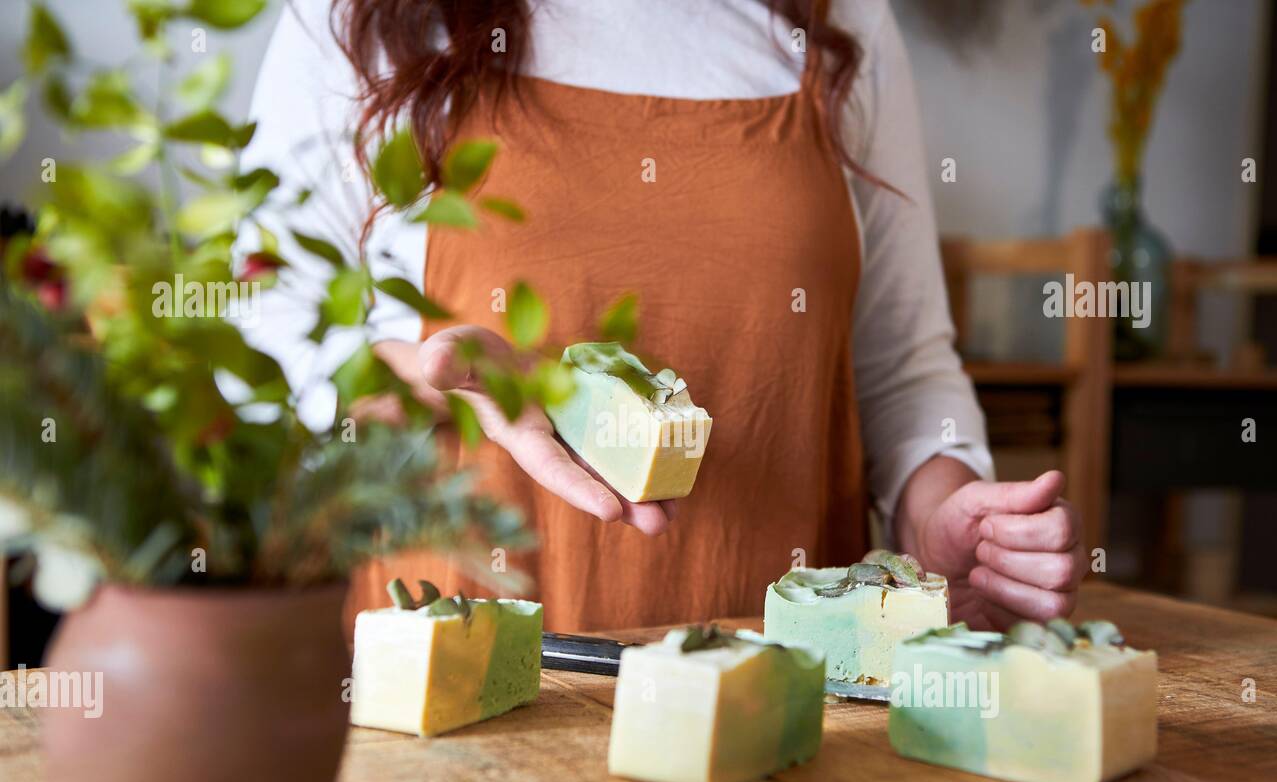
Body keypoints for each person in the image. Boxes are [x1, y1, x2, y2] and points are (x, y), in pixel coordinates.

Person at [241, 0, 1086, 633]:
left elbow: (901, 367)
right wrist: (419, 377)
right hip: (460, 688)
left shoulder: (841, 19)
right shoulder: (360, 16)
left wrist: (940, 511)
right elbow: (256, 341)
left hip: (790, 694)